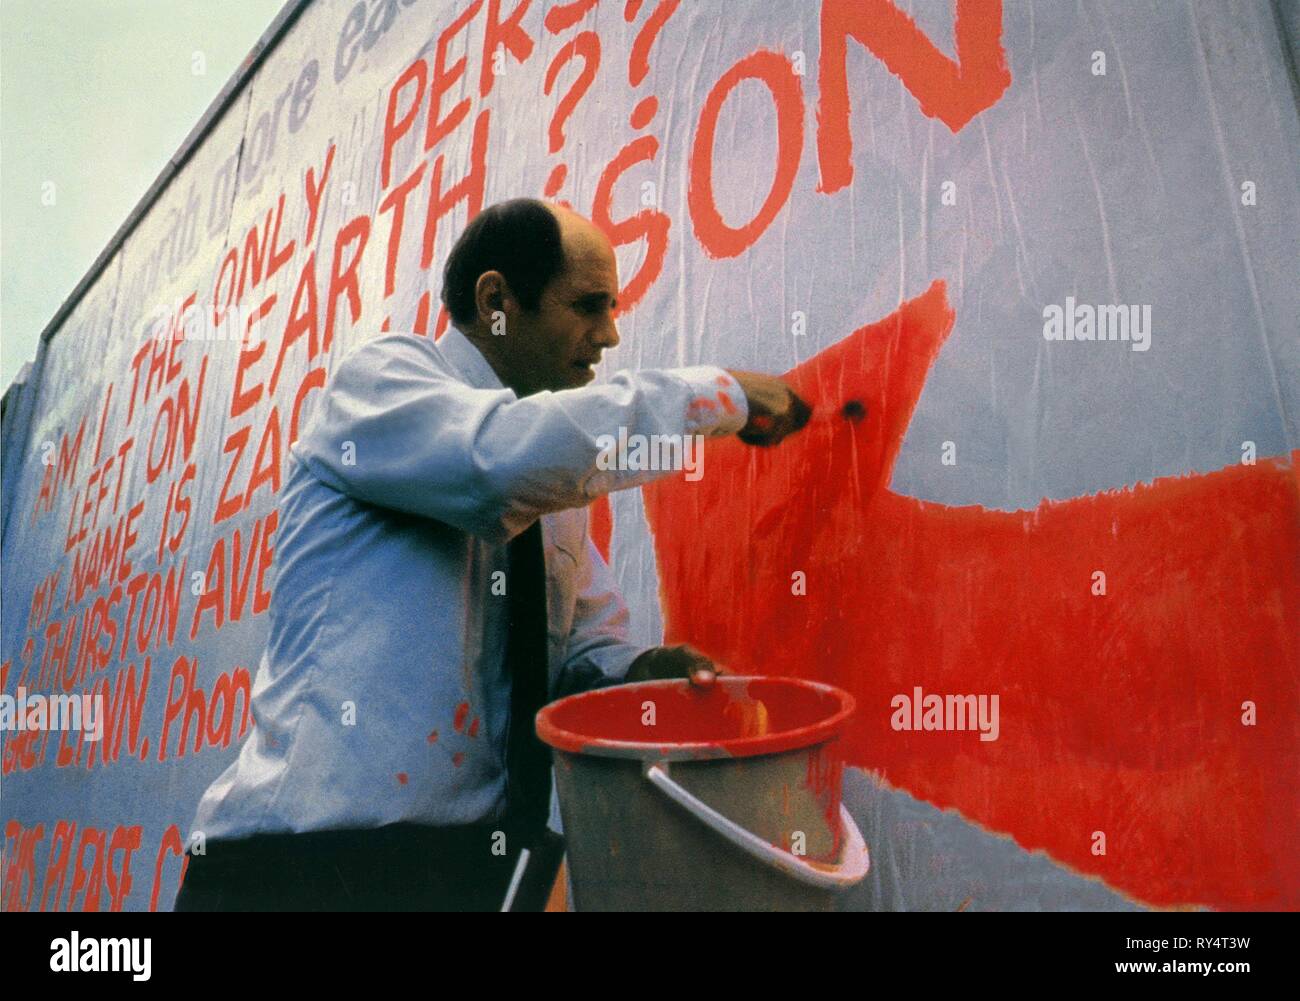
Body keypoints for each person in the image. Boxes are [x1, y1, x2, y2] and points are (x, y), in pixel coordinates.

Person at [174, 197, 811, 912]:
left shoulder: (552, 493)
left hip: (463, 876)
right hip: (302, 870)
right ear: (496, 299)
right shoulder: (383, 382)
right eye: (588, 305)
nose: (608, 336)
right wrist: (713, 396)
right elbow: (495, 462)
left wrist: (639, 674)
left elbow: (575, 660)